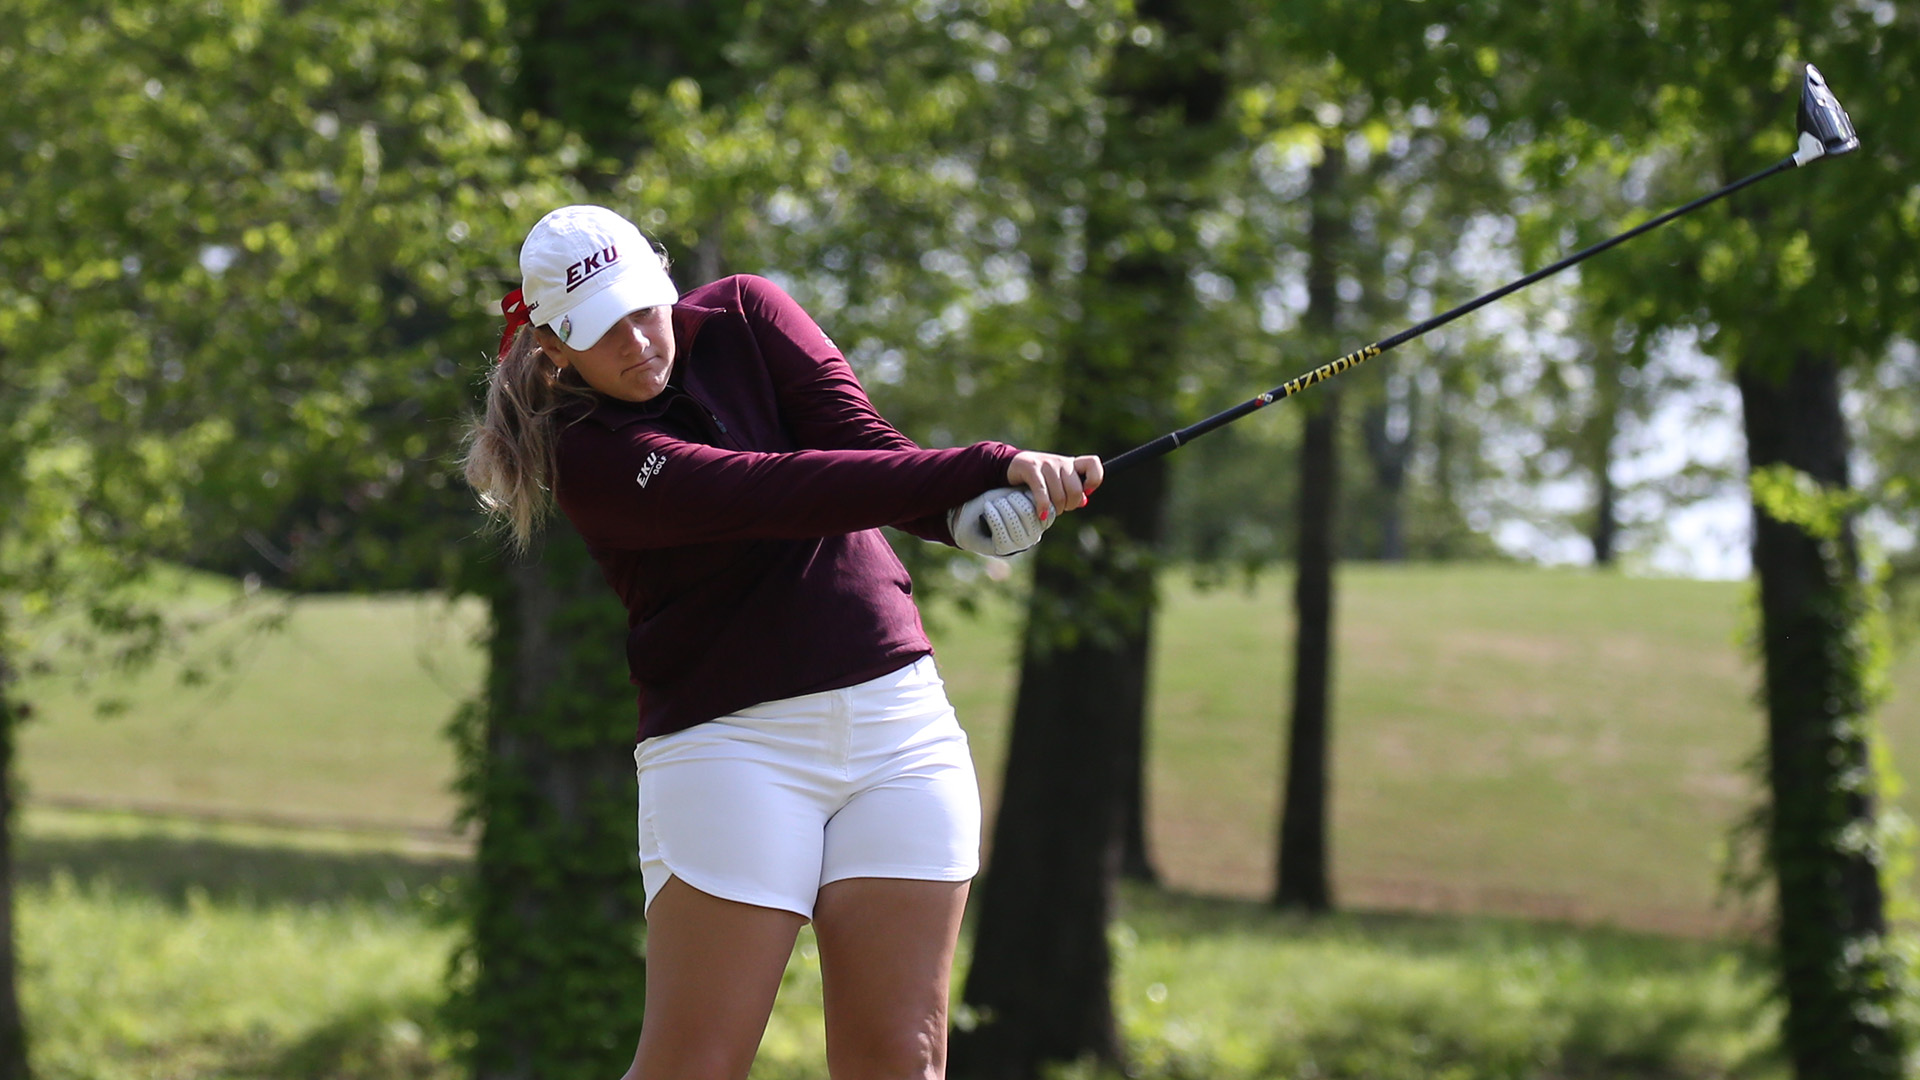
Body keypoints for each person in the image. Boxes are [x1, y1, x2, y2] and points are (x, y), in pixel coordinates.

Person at [462, 204, 1101, 1080]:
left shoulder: (748, 314)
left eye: (644, 309)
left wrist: (972, 514)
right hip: (733, 750)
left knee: (902, 1063)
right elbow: (770, 492)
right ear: (553, 348)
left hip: (899, 729)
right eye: (603, 330)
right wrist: (988, 462)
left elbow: (867, 454)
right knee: (697, 1065)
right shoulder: (588, 453)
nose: (640, 343)